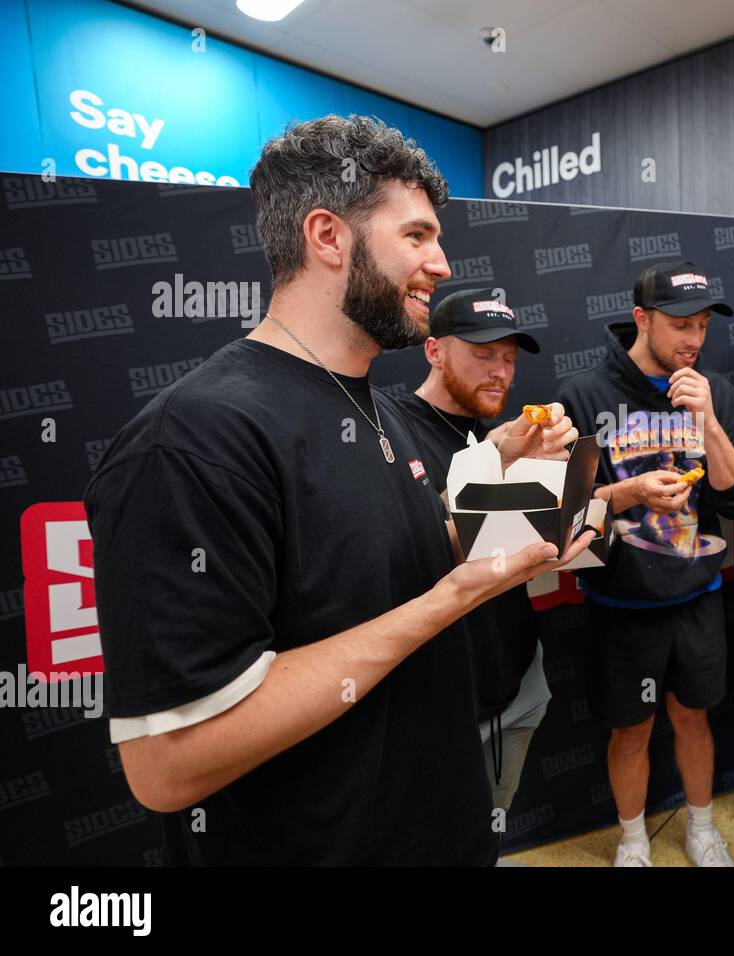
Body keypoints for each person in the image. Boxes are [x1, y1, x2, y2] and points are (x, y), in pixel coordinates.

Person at [84, 115, 589, 865]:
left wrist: (498, 517)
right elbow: (167, 764)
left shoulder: (375, 407)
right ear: (328, 237)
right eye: (416, 237)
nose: (442, 263)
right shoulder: (194, 438)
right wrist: (450, 600)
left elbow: (381, 567)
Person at [554, 260, 734, 867]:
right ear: (641, 319)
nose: (693, 340)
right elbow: (565, 512)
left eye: (702, 325)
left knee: (695, 719)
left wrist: (708, 421)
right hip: (621, 604)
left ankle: (700, 828)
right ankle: (633, 840)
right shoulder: (585, 393)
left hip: (697, 597)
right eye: (679, 324)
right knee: (631, 730)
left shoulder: (714, 389)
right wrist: (628, 493)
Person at [393, 288, 554, 822]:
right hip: (433, 701)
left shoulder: (501, 436)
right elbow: (410, 548)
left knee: (492, 819)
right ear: (434, 351)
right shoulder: (390, 432)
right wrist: (497, 466)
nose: (500, 371)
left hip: (514, 675)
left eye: (508, 358)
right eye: (483, 354)